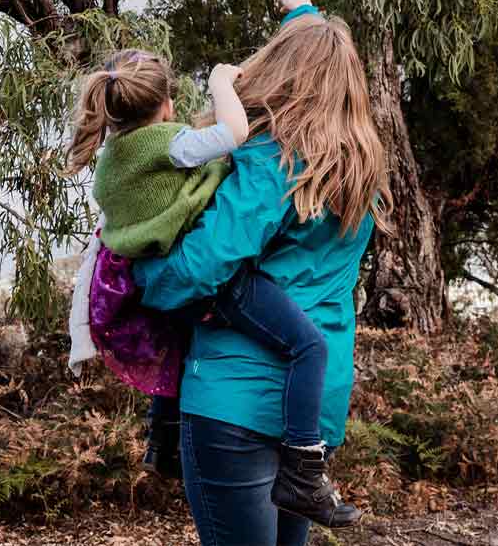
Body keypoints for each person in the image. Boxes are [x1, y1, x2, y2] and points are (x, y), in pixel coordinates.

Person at [133, 0, 391, 545]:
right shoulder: (358, 172)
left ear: (284, 74)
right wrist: (303, 12)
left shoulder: (272, 162)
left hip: (236, 404)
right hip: (312, 410)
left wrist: (136, 274)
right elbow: (319, 58)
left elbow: (199, 266)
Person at [66, 40, 359, 528]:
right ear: (166, 105)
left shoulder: (113, 158)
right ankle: (306, 469)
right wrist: (221, 81)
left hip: (179, 313)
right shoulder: (176, 145)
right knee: (307, 344)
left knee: (178, 337)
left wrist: (302, 16)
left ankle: (161, 431)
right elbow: (233, 137)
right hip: (236, 342)